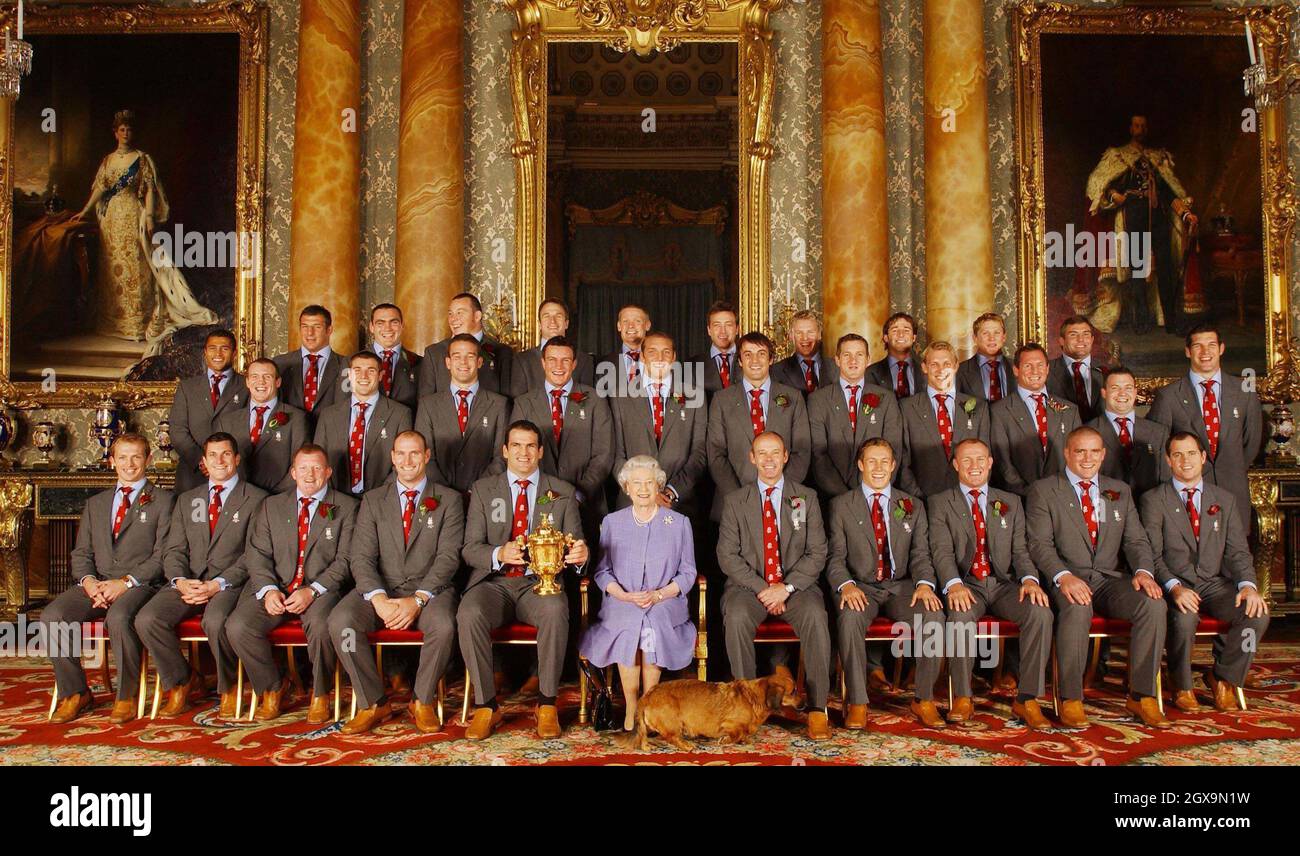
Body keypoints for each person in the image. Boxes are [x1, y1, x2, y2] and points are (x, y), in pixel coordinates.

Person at [1025, 426, 1169, 728]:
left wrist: (1144, 572)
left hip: (1108, 580)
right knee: (1077, 609)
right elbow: (1039, 544)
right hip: (1068, 579)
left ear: (1103, 455)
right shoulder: (1044, 489)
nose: (1087, 458)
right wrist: (1063, 577)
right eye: (1080, 451)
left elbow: (1136, 541)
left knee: (1153, 604)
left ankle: (1141, 695)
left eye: (1094, 452)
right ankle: (1070, 698)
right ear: (1067, 453)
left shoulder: (1119, 490)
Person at [458, 421, 589, 740]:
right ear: (505, 451)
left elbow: (577, 543)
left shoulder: (562, 492)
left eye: (530, 445)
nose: (523, 452)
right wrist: (499, 552)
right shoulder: (484, 490)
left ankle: (546, 703)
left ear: (541, 452)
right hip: (494, 583)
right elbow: (469, 549)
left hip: (539, 585)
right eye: (516, 445)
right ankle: (487, 705)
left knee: (556, 609)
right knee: (468, 613)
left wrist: (581, 555)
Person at [329, 431, 464, 734]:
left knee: (443, 627)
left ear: (427, 456)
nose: (407, 461)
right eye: (401, 454)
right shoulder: (373, 500)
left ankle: (422, 699)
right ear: (392, 457)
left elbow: (448, 558)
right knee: (341, 623)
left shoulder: (450, 500)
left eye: (414, 453)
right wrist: (377, 599)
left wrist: (417, 599)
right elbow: (361, 558)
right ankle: (373, 701)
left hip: (430, 589)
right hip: (381, 588)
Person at [45, 434, 174, 724]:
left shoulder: (165, 501)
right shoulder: (96, 504)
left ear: (148, 459)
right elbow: (81, 553)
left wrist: (126, 582)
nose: (129, 464)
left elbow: (163, 556)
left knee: (118, 618)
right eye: (123, 457)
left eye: (136, 457)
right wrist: (89, 582)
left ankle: (126, 695)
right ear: (111, 461)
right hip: (97, 583)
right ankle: (76, 692)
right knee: (53, 615)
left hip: (140, 585)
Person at [136, 433, 266, 719]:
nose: (220, 460)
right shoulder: (186, 500)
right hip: (188, 582)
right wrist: (180, 581)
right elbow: (174, 550)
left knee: (216, 620)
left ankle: (229, 687)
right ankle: (181, 680)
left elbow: (253, 555)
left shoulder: (257, 500)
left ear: (237, 459)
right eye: (213, 455)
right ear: (204, 462)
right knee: (147, 619)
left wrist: (216, 585)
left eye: (226, 454)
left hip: (229, 584)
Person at [928, 438, 1053, 729]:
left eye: (980, 459)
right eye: (967, 460)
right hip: (966, 583)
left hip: (1002, 583)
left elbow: (1021, 551)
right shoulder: (939, 503)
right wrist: (953, 584)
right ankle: (962, 695)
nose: (975, 466)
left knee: (1040, 612)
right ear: (956, 465)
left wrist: (1031, 580)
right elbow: (941, 551)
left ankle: (1027, 698)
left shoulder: (1010, 502)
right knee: (959, 615)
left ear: (991, 462)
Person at [226, 444, 357, 723]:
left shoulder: (347, 507)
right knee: (238, 626)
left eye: (317, 468)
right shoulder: (271, 506)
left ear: (328, 472)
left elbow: (346, 561)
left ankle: (321, 694)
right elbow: (257, 554)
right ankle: (273, 687)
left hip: (321, 589)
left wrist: (313, 590)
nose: (310, 475)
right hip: (277, 587)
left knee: (322, 626)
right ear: (293, 472)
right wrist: (268, 589)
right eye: (303, 468)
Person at [1139, 431, 1269, 713]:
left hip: (1214, 584)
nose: (1185, 460)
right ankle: (1181, 684)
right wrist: (1173, 587)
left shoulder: (1224, 499)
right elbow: (1152, 554)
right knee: (1184, 620)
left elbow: (1237, 551)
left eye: (1191, 454)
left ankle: (1224, 677)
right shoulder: (1153, 499)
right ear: (1168, 461)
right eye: (1177, 455)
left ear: (1203, 458)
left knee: (1256, 614)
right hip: (1173, 584)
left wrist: (1247, 585)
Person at [717, 432, 831, 740]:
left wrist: (786, 587)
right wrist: (763, 589)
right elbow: (727, 556)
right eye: (761, 454)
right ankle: (746, 704)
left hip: (796, 587)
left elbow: (817, 551)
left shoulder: (804, 498)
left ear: (785, 457)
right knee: (737, 616)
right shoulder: (735, 501)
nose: (768, 460)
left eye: (775, 453)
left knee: (817, 618)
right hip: (748, 588)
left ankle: (818, 708)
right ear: (752, 458)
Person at [73, 110, 218, 350]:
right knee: (112, 269)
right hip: (111, 221)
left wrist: (149, 216)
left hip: (133, 216)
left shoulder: (142, 159)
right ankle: (115, 323)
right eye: (122, 130)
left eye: (129, 129)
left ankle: (138, 324)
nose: (126, 134)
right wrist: (86, 209)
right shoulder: (108, 160)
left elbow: (150, 189)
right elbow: (100, 187)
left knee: (137, 268)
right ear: (115, 133)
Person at [826, 437, 945, 728]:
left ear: (893, 465)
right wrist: (846, 585)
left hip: (901, 585)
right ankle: (857, 701)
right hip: (860, 587)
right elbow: (834, 558)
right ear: (860, 465)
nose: (878, 468)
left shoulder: (911, 505)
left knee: (934, 615)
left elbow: (920, 554)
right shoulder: (841, 506)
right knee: (851, 617)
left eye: (884, 461)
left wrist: (925, 584)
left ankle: (924, 699)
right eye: (871, 461)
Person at [581, 456, 698, 731]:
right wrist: (622, 595)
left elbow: (688, 573)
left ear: (659, 486)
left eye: (649, 483)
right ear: (626, 488)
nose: (644, 489)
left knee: (652, 621)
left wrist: (659, 595)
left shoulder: (679, 522)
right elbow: (602, 572)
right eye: (637, 483)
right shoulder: (612, 522)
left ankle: (651, 703)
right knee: (629, 620)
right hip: (623, 601)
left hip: (666, 601)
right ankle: (632, 704)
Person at [1084, 114, 1199, 335]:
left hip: (1158, 218)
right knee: (1137, 270)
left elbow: (1168, 193)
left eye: (1144, 126)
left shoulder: (1156, 158)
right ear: (1130, 129)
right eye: (1137, 125)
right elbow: (1102, 185)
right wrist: (1113, 194)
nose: (1141, 129)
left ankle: (1172, 321)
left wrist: (1185, 214)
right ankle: (1141, 321)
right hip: (1133, 214)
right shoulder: (1119, 157)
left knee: (1166, 268)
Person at [1147, 323, 1263, 532]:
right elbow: (1158, 448)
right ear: (1188, 351)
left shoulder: (1245, 392)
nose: (1205, 352)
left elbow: (1251, 442)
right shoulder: (1169, 396)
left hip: (1234, 492)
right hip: (1187, 496)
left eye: (1211, 345)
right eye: (1198, 346)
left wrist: (1230, 468)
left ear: (1221, 348)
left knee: (1235, 559)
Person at [707, 331, 811, 520]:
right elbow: (716, 454)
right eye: (747, 354)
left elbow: (802, 451)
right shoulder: (721, 400)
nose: (755, 360)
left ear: (771, 359)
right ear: (739, 361)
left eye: (761, 354)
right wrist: (743, 496)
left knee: (797, 546)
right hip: (733, 499)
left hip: (788, 498)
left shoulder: (793, 397)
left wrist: (778, 490)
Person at [609, 331, 707, 512]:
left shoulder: (695, 395)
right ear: (642, 357)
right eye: (653, 352)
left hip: (679, 503)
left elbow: (699, 453)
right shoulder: (619, 396)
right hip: (632, 504)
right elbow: (616, 454)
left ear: (674, 357)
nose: (660, 358)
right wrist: (641, 491)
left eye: (666, 352)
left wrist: (671, 491)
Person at [412, 333, 509, 495]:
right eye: (457, 357)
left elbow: (501, 458)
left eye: (470, 356)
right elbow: (423, 456)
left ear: (479, 362)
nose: (463, 362)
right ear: (448, 363)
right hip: (439, 497)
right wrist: (448, 494)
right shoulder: (428, 405)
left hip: (485, 495)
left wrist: (476, 490)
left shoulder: (499, 404)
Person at [808, 333, 901, 499]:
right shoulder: (818, 400)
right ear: (837, 360)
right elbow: (818, 454)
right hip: (831, 496)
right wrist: (844, 496)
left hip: (875, 494)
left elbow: (894, 450)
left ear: (868, 360)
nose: (853, 361)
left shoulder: (886, 398)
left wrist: (871, 490)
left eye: (859, 355)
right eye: (846, 355)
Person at [898, 341, 989, 499]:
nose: (941, 370)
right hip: (923, 500)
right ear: (924, 368)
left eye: (946, 363)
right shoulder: (906, 408)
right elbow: (902, 461)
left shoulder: (978, 407)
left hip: (968, 500)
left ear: (955, 366)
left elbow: (986, 459)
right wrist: (919, 498)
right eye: (934, 364)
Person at [313, 350, 412, 496]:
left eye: (370, 371)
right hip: (336, 500)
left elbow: (403, 463)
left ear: (380, 376)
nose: (363, 376)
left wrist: (378, 497)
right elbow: (318, 461)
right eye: (357, 370)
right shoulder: (328, 415)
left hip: (382, 499)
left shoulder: (400, 414)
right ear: (349, 375)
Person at [990, 343, 1080, 497]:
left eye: (1040, 365)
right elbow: (1002, 462)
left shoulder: (1069, 410)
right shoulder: (999, 411)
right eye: (1028, 366)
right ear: (1016, 370)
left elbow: (1078, 455)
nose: (1035, 371)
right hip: (1021, 498)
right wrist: (1029, 493)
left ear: (1047, 369)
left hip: (1065, 497)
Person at [168, 329, 248, 491]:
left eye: (224, 348)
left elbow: (250, 429)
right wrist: (201, 461)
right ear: (205, 352)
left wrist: (225, 461)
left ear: (234, 353)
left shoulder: (247, 386)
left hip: (233, 472)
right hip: (193, 474)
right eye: (212, 348)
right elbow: (177, 430)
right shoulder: (187, 387)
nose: (218, 353)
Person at [216, 357, 308, 493]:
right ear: (247, 382)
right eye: (254, 376)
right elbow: (220, 465)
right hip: (236, 499)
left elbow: (302, 464)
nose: (261, 382)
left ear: (278, 382)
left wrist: (274, 497)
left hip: (277, 499)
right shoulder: (227, 421)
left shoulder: (297, 418)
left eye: (267, 376)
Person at [1087, 366, 1169, 497]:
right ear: (1104, 393)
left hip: (1149, 511)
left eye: (1128, 388)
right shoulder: (1088, 432)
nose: (1122, 393)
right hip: (1106, 510)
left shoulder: (1158, 433)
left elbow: (1165, 482)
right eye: (1115, 388)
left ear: (1135, 392)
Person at [418, 292, 514, 396]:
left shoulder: (502, 352)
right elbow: (425, 403)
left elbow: (507, 400)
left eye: (460, 313)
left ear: (477, 316)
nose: (453, 319)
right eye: (450, 314)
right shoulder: (434, 353)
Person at [273, 305, 343, 427]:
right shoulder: (280, 363)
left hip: (330, 436)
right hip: (290, 436)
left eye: (317, 327)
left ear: (329, 330)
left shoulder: (345, 364)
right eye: (305, 327)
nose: (310, 333)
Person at [509, 298, 595, 395]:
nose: (552, 321)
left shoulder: (584, 360)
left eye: (558, 316)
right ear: (540, 324)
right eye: (546, 316)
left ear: (566, 323)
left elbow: (587, 401)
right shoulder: (522, 360)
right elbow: (518, 403)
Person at [1047, 316, 1104, 422]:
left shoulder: (1106, 371)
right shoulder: (1046, 371)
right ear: (1061, 341)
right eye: (1073, 335)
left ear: (1092, 340)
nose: (1080, 339)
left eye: (1085, 334)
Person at [368, 303, 421, 411]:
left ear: (402, 326)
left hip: (406, 426)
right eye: (380, 323)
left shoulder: (420, 363)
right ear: (371, 327)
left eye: (394, 322)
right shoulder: (352, 362)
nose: (387, 328)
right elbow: (343, 406)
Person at [771, 310, 838, 395]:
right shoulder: (776, 372)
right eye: (799, 333)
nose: (805, 338)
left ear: (819, 335)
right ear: (791, 336)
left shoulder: (837, 369)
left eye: (810, 332)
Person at [956, 312, 1017, 402]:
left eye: (997, 332)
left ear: (1004, 337)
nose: (992, 338)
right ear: (975, 338)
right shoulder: (960, 371)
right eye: (985, 333)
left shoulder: (1018, 368)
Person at [689, 300, 740, 400]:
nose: (723, 331)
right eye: (717, 325)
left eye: (728, 325)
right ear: (709, 330)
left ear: (737, 329)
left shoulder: (750, 362)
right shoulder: (692, 365)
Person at [598, 304, 653, 392]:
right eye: (625, 321)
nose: (631, 325)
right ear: (619, 326)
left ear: (647, 325)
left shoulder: (663, 362)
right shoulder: (602, 364)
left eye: (637, 321)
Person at [866, 312, 922, 398]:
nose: (901, 334)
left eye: (906, 330)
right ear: (886, 338)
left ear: (914, 338)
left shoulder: (926, 372)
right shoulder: (870, 373)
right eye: (895, 330)